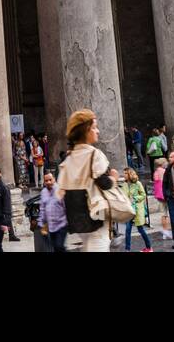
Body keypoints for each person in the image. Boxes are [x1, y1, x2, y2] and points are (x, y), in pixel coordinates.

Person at [56, 108, 116, 252]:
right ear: (86, 131)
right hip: (96, 216)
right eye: (94, 127)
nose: (98, 131)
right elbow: (104, 184)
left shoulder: (68, 157)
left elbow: (60, 192)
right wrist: (113, 177)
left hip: (76, 219)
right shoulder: (94, 154)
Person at [120, 167, 151, 251]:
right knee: (128, 230)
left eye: (126, 173)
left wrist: (134, 198)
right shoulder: (124, 184)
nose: (124, 175)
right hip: (129, 211)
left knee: (141, 230)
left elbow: (143, 195)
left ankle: (149, 247)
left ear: (130, 174)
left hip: (137, 210)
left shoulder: (138, 183)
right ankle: (127, 249)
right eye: (124, 173)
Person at [37, 170, 67, 252]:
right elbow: (42, 209)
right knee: (55, 248)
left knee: (59, 246)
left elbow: (65, 206)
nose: (48, 182)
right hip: (51, 226)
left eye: (50, 180)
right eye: (46, 181)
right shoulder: (43, 192)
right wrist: (41, 223)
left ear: (54, 179)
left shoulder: (60, 190)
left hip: (61, 224)